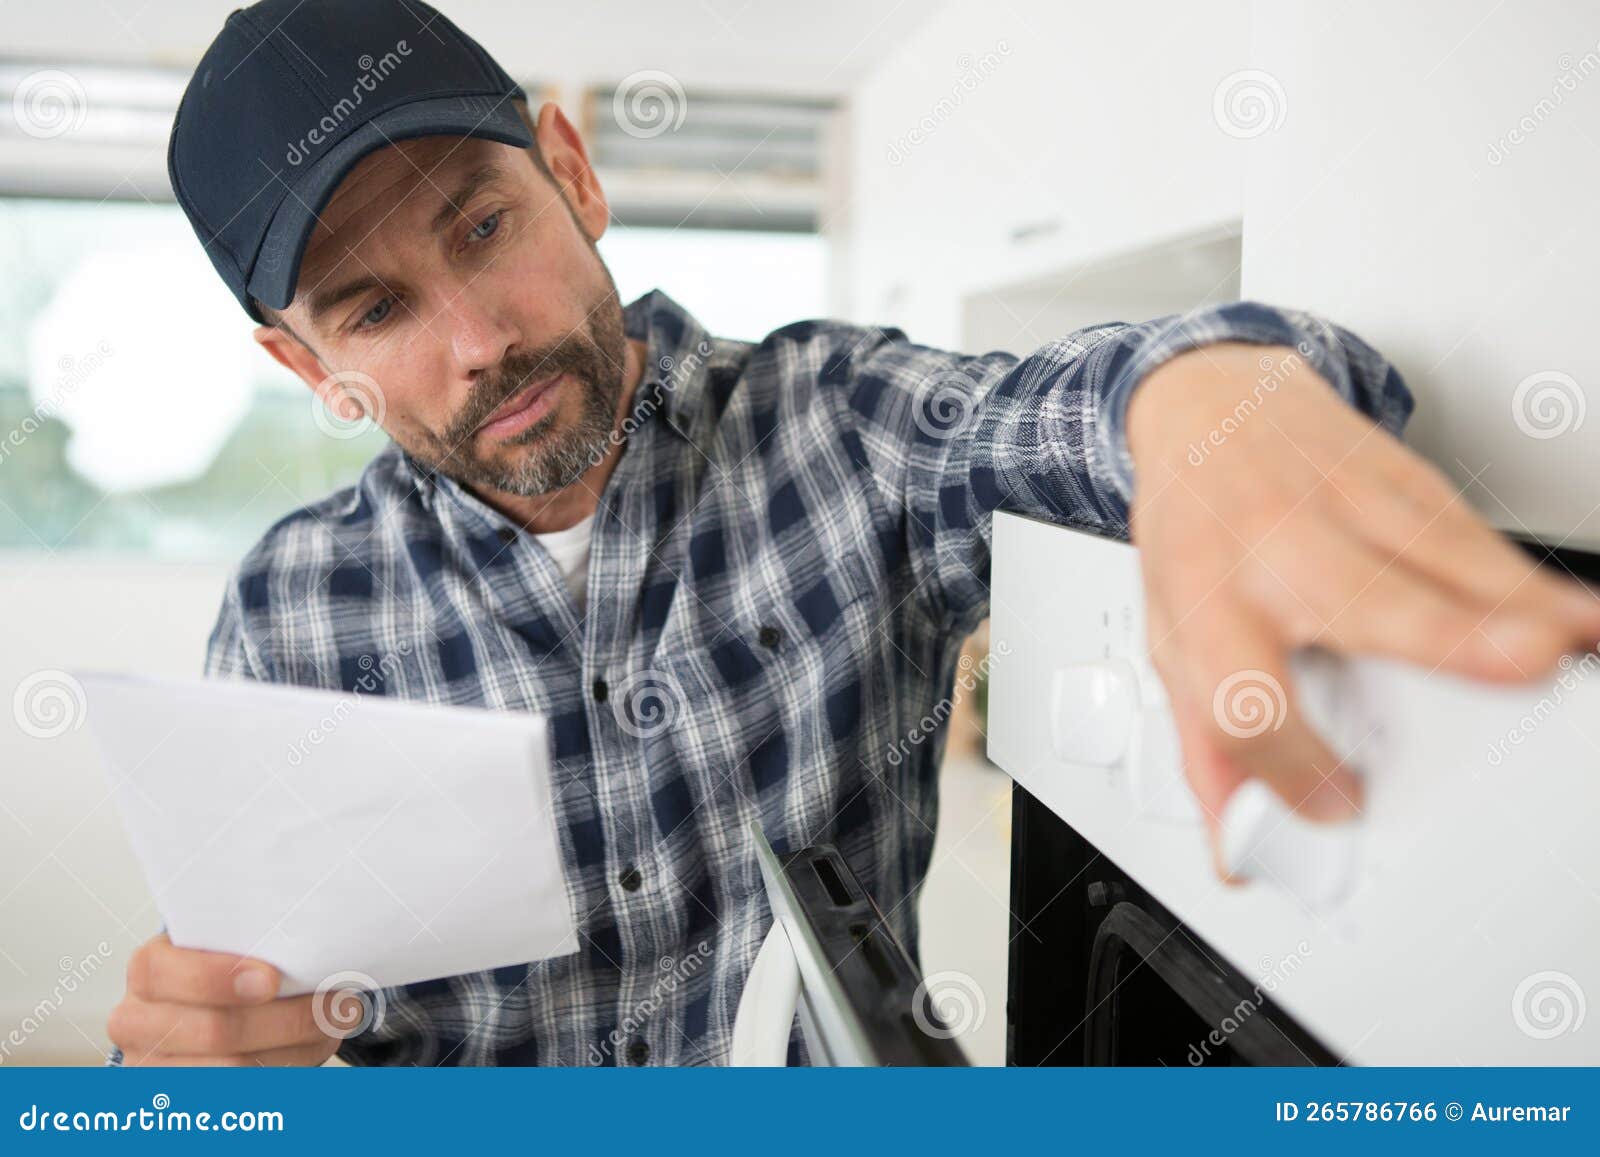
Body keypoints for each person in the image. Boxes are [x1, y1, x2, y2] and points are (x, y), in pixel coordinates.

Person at [108, 0, 1600, 1066]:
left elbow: (1083, 399)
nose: (478, 341)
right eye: (377, 310)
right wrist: (202, 1077)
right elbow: (229, 1033)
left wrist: (1202, 409)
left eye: (482, 226)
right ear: (313, 368)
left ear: (571, 170)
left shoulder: (840, 425)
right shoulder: (285, 618)